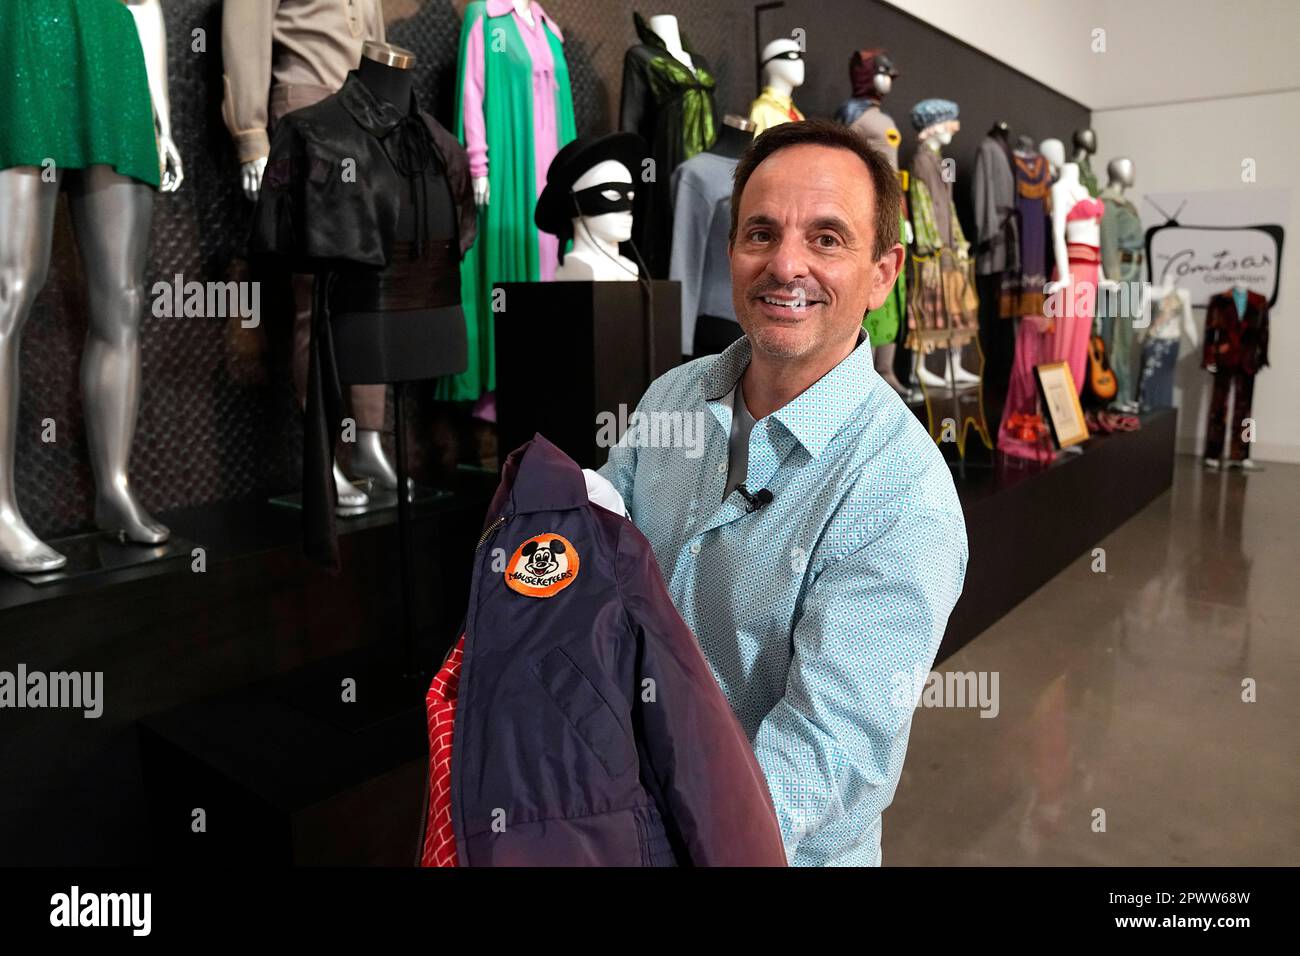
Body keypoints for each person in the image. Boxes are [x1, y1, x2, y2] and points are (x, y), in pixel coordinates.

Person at [599, 119, 968, 866]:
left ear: (884, 272)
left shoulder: (903, 500)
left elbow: (824, 756)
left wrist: (653, 842)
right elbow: (600, 548)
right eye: (760, 234)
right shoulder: (674, 395)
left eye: (828, 239)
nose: (786, 265)